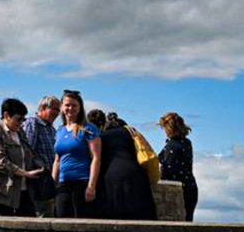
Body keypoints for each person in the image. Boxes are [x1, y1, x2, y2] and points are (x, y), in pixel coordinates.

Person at [86, 110, 155, 220]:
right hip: (137, 174)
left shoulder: (101, 138)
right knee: (143, 218)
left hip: (111, 177)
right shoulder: (131, 132)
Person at [0, 98, 46, 216]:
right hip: (3, 192)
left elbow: (30, 154)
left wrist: (40, 167)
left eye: (23, 119)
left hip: (23, 191)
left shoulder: (20, 133)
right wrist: (25, 173)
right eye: (18, 119)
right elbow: (1, 162)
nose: (21, 123)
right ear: (6, 115)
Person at [52, 90, 100, 218]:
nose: (70, 108)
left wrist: (91, 186)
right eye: (67, 105)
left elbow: (96, 158)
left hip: (82, 183)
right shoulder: (60, 130)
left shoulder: (89, 129)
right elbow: (57, 159)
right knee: (61, 221)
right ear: (62, 107)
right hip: (63, 184)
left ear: (80, 108)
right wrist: (53, 183)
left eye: (74, 105)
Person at [22, 95, 60, 216]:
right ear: (43, 107)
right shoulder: (33, 124)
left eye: (58, 110)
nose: (57, 113)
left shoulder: (52, 129)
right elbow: (27, 152)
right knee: (41, 215)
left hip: (50, 181)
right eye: (54, 109)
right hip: (38, 181)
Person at [158, 111, 198, 221]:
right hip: (190, 187)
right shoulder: (187, 143)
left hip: (177, 191)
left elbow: (166, 169)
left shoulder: (172, 146)